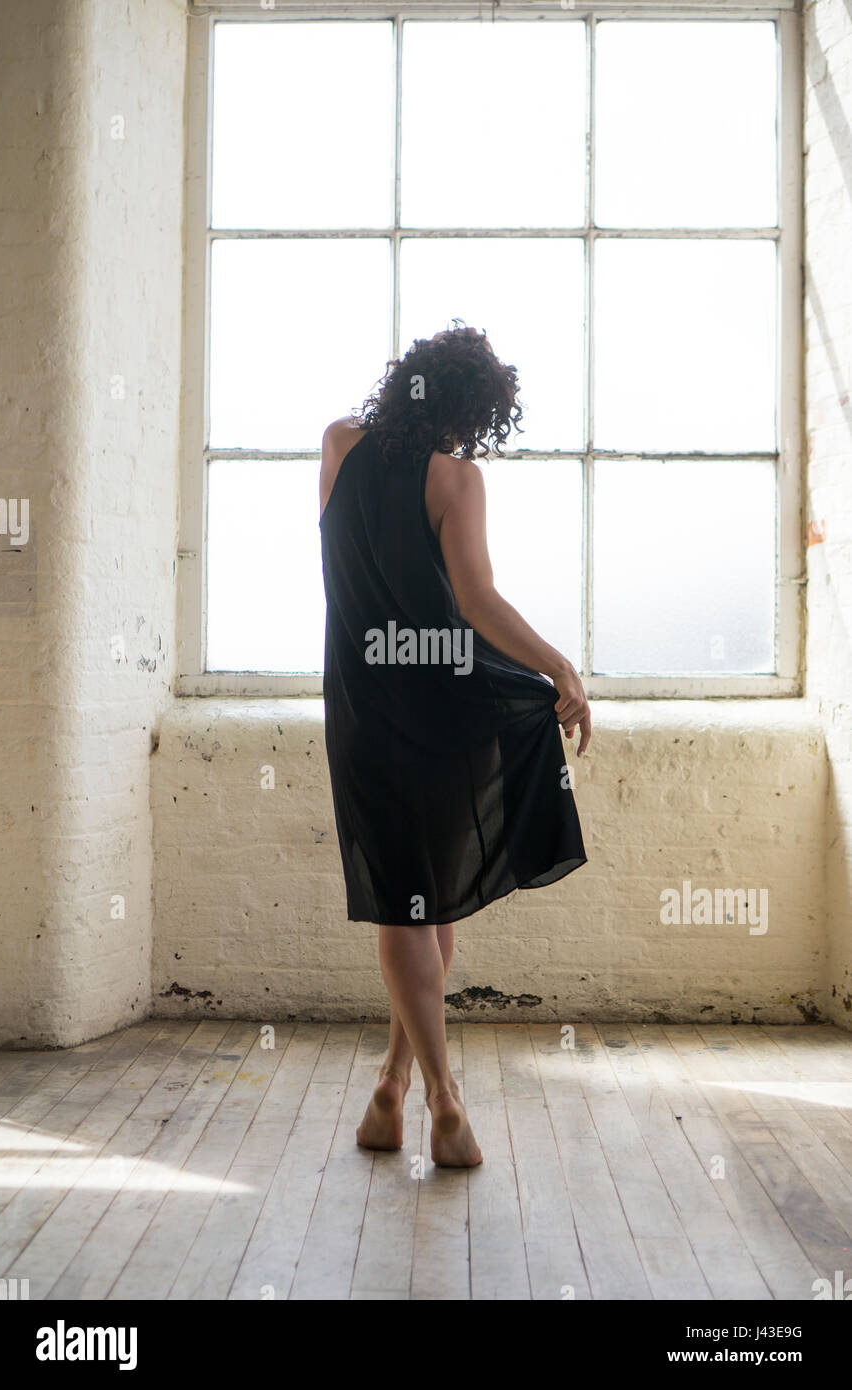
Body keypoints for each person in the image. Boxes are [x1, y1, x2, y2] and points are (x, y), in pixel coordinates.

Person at [319, 324, 589, 1168]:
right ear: (472, 414)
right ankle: (440, 1097)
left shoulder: (337, 445)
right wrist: (557, 666)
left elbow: (344, 570)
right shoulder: (456, 480)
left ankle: (394, 1091)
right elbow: (477, 603)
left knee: (412, 898)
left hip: (361, 698)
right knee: (419, 899)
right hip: (441, 701)